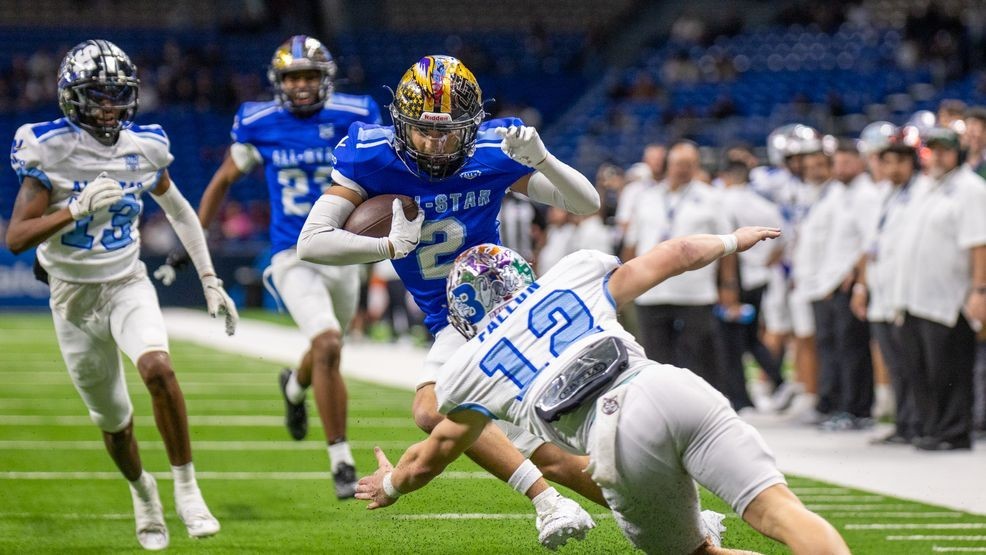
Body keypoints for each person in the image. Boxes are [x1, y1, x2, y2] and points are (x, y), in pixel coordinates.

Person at [355, 231, 851, 555]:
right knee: (785, 514)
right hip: (670, 385)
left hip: (616, 431)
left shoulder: (468, 369)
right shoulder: (573, 273)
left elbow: (433, 453)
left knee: (700, 554)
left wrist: (393, 484)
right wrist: (731, 240)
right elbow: (675, 255)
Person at [297, 55, 603, 547]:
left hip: (509, 305)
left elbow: (587, 204)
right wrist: (386, 247)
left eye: (449, 132)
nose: (436, 144)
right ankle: (662, 521)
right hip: (450, 321)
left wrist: (543, 158)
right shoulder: (372, 156)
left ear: (472, 125)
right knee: (547, 457)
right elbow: (310, 242)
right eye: (423, 131)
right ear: (400, 124)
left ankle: (558, 504)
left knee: (436, 411)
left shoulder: (495, 149)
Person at [6, 40, 237, 550]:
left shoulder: (145, 145)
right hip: (71, 297)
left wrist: (209, 278)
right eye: (97, 96)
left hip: (128, 282)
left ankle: (187, 487)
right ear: (72, 98)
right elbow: (17, 238)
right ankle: (143, 492)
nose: (109, 107)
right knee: (114, 424)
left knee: (158, 368)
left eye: (117, 95)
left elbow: (178, 210)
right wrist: (75, 208)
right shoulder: (49, 148)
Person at [154, 35, 382, 498]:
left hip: (345, 249)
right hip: (292, 252)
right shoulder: (260, 122)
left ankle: (294, 389)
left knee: (327, 350)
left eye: (308, 76)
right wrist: (192, 237)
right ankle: (340, 458)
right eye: (292, 76)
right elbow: (222, 180)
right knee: (328, 341)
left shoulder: (357, 115)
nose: (300, 85)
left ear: (326, 79)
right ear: (279, 82)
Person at [892, 127, 986, 450]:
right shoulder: (925, 187)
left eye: (945, 150)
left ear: (957, 152)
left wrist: (980, 290)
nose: (939, 156)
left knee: (950, 368)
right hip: (916, 297)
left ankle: (954, 431)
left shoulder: (970, 189)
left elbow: (979, 244)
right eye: (933, 150)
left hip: (950, 296)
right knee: (921, 368)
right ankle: (932, 427)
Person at [623, 140, 738, 391]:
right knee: (655, 359)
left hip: (695, 292)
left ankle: (704, 411)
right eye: (678, 164)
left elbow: (728, 245)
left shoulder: (712, 198)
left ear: (696, 166)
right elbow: (632, 245)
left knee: (699, 357)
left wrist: (728, 285)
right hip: (652, 291)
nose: (683, 169)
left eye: (689, 164)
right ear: (668, 165)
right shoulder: (646, 197)